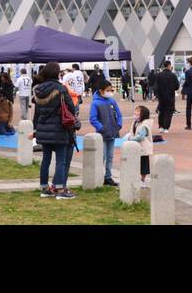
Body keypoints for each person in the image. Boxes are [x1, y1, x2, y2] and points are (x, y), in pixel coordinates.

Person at [31, 62, 78, 199]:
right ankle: (59, 189)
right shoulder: (61, 88)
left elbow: (37, 112)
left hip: (44, 128)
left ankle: (44, 187)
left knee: (46, 159)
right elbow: (71, 107)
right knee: (61, 160)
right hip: (59, 128)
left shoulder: (38, 90)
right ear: (57, 74)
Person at [89, 81, 123, 186]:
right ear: (101, 91)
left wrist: (119, 125)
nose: (110, 92)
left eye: (111, 90)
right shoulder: (95, 103)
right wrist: (101, 128)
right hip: (102, 134)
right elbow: (93, 118)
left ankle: (108, 177)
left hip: (112, 132)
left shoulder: (112, 101)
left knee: (110, 156)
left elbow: (119, 114)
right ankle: (99, 176)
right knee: (102, 156)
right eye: (108, 90)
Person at [128, 105, 154, 186]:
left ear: (143, 114)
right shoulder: (135, 122)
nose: (135, 114)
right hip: (135, 147)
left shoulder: (145, 125)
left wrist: (131, 139)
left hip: (143, 148)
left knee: (144, 164)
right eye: (135, 111)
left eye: (138, 112)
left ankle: (142, 180)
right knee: (135, 163)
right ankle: (136, 178)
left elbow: (141, 137)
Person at [153, 60, 179, 133]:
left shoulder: (158, 75)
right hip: (170, 96)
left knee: (161, 112)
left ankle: (160, 126)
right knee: (169, 112)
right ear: (169, 65)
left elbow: (156, 86)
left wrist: (156, 95)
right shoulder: (173, 75)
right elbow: (177, 86)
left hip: (161, 97)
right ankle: (166, 127)